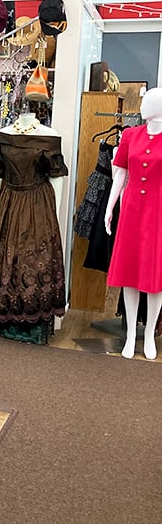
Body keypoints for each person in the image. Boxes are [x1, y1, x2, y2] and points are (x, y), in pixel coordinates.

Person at [0, 109, 68, 334]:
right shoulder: (2, 135)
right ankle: (0, 316)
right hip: (8, 200)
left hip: (38, 205)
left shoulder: (48, 136)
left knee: (34, 258)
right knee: (4, 257)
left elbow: (56, 177)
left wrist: (54, 213)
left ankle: (33, 323)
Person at [104, 86, 162, 360]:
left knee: (154, 279)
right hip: (131, 210)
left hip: (158, 212)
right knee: (129, 276)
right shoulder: (130, 135)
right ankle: (129, 336)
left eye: (148, 101)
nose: (142, 105)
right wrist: (110, 205)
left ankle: (149, 334)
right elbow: (120, 174)